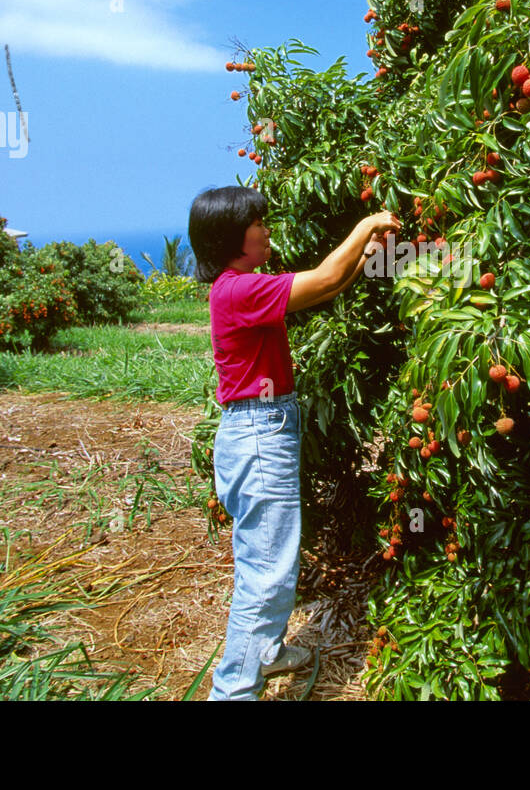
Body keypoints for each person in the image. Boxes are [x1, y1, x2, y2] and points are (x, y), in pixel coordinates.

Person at [188, 185, 400, 700]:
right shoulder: (238, 290)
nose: (265, 231)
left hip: (262, 429)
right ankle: (232, 690)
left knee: (270, 558)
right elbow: (325, 276)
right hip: (258, 434)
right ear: (233, 236)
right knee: (266, 571)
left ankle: (269, 651)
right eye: (258, 223)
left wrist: (363, 259)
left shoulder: (242, 285)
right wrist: (367, 222)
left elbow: (327, 288)